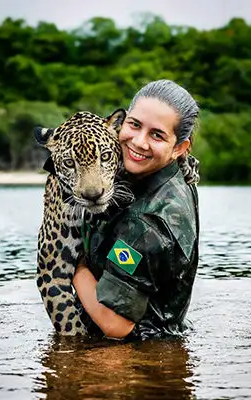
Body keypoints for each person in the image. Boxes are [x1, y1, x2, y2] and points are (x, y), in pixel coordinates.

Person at [73, 79, 200, 340]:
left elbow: (116, 325)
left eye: (157, 135)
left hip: (140, 352)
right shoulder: (172, 172)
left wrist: (71, 266)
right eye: (134, 124)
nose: (138, 142)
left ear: (179, 148)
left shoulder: (146, 224)